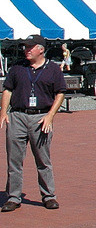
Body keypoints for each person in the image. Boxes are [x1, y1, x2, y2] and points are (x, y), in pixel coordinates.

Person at [1, 35, 67, 212]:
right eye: (25, 47)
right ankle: (13, 197)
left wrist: (50, 116)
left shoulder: (53, 69)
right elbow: (7, 90)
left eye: (30, 47)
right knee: (14, 160)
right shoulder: (17, 68)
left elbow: (60, 93)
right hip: (18, 116)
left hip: (40, 117)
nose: (26, 50)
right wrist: (3, 112)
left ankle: (49, 196)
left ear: (41, 49)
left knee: (43, 160)